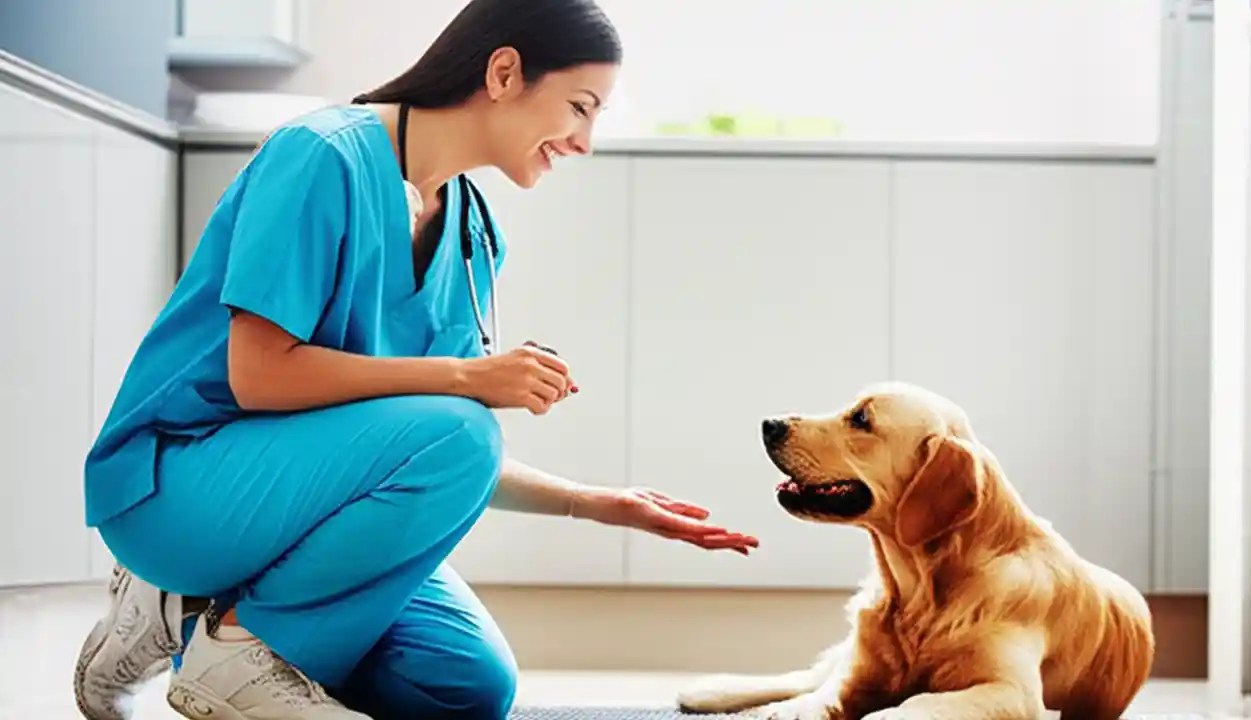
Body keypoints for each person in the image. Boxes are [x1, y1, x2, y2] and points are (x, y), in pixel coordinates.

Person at [71, 1, 759, 719]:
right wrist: (466, 378)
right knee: (463, 426)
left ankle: (189, 615)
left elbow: (423, 452)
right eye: (580, 107)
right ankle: (236, 652)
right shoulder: (321, 154)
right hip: (176, 488)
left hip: (287, 507)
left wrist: (593, 504)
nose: (585, 140)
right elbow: (262, 373)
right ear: (503, 72)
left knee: (466, 685)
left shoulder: (473, 234)